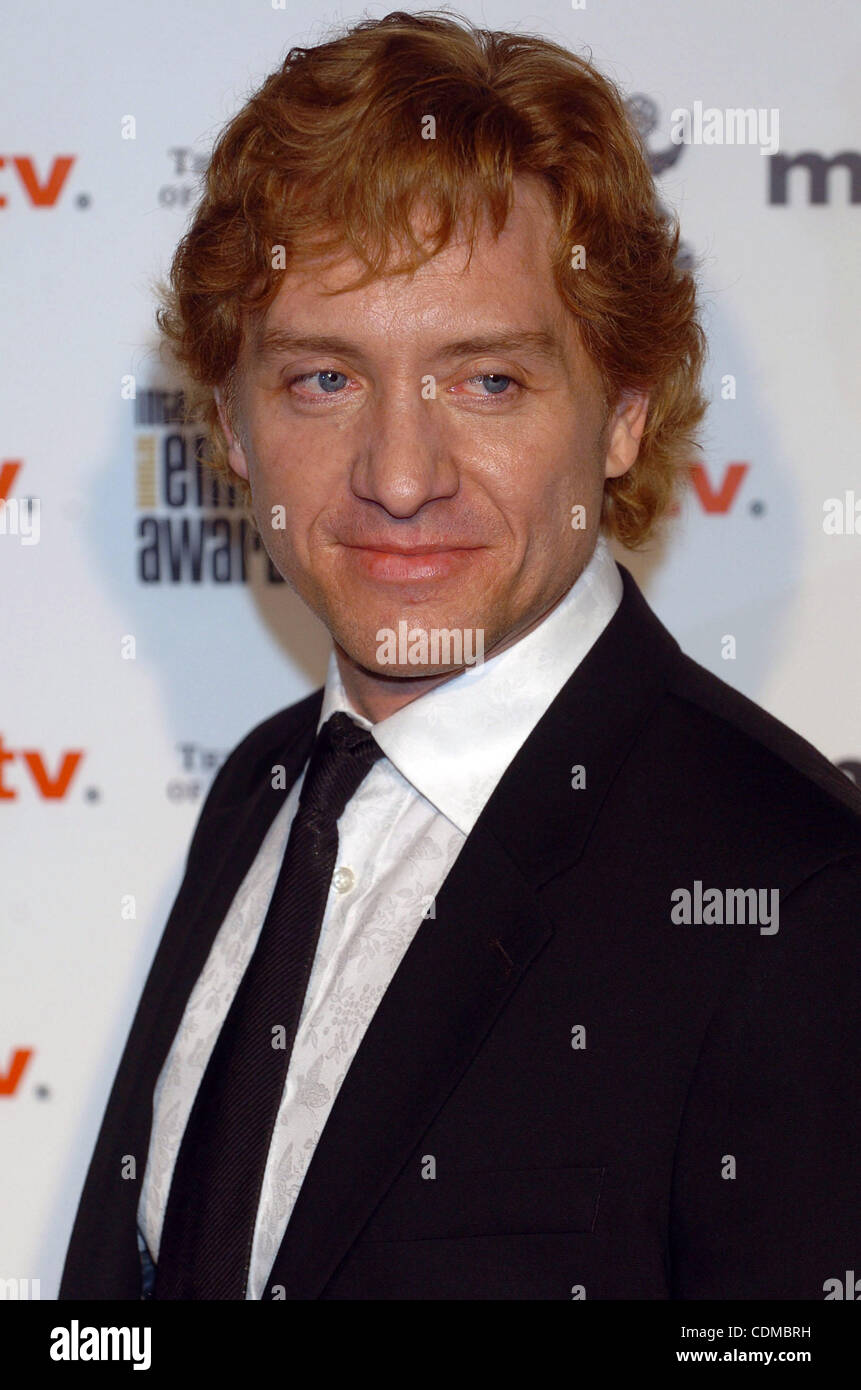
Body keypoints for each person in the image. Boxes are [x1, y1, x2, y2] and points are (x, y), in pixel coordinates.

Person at [60, 10, 861, 1300]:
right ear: (230, 421)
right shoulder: (268, 792)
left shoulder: (798, 901)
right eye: (324, 381)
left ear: (625, 412)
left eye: (485, 382)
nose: (397, 475)